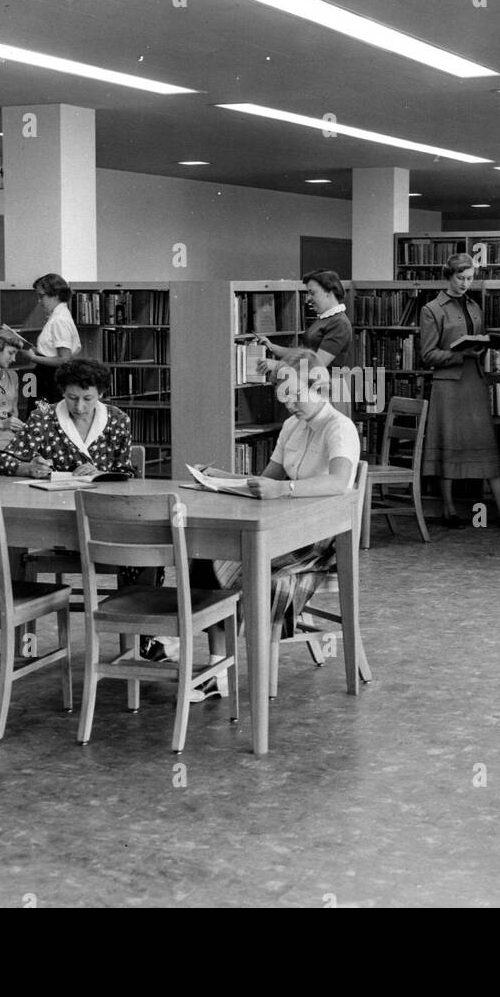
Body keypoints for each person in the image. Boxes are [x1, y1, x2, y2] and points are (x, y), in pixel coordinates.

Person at [184, 351, 361, 701]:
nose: (290, 404)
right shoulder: (293, 427)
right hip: (284, 528)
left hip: (319, 537)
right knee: (208, 555)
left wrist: (285, 490)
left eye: (296, 394)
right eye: (285, 396)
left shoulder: (339, 427)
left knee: (233, 561)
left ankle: (188, 647)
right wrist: (223, 479)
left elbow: (340, 481)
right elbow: (266, 481)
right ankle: (217, 667)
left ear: (319, 387)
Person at [418, 253, 500, 531]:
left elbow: (475, 339)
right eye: (460, 278)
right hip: (448, 386)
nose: (465, 284)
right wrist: (461, 354)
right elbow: (428, 355)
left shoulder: (474, 306)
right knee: (449, 446)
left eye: (469, 278)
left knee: (485, 448)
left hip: (474, 383)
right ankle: (448, 509)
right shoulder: (432, 309)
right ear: (448, 276)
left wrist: (483, 347)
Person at [0, 358, 132, 479]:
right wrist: (28, 468)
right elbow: (1, 462)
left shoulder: (117, 419)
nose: (79, 407)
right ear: (63, 392)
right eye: (72, 398)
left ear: (101, 394)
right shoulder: (43, 417)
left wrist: (100, 474)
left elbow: (127, 473)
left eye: (88, 399)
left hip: (101, 502)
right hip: (53, 502)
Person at [256, 269, 354, 415]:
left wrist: (276, 365)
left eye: (312, 293)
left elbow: (316, 364)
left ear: (329, 292)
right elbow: (305, 354)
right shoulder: (325, 319)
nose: (308, 298)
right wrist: (273, 347)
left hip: (330, 392)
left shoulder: (339, 323)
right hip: (315, 388)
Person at [18, 273, 80, 404]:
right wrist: (33, 349)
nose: (39, 302)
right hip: (47, 373)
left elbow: (64, 359)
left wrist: (32, 357)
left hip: (51, 376)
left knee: (40, 414)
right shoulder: (58, 316)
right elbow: (51, 351)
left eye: (42, 296)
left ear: (56, 295)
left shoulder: (59, 320)